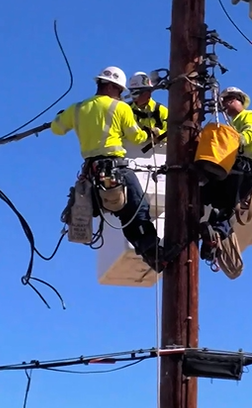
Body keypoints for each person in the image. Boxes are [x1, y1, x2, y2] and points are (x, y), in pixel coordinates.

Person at [52, 66, 168, 272]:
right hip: (116, 169)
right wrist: (154, 132)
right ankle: (154, 253)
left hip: (91, 174)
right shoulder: (120, 108)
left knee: (124, 214)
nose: (122, 95)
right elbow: (137, 137)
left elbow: (57, 129)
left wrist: (62, 116)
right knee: (136, 212)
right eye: (120, 90)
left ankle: (154, 256)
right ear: (112, 86)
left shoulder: (77, 108)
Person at [199, 86, 252, 266]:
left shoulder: (250, 116)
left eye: (229, 100)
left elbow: (251, 132)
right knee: (205, 194)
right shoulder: (229, 124)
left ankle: (217, 234)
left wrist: (237, 140)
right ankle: (208, 234)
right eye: (224, 102)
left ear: (238, 100)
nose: (225, 104)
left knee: (225, 207)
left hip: (243, 167)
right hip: (229, 167)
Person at [126, 71, 169, 137]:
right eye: (132, 93)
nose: (134, 98)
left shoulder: (161, 111)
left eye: (136, 93)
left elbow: (172, 136)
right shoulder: (126, 109)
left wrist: (158, 133)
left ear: (148, 93)